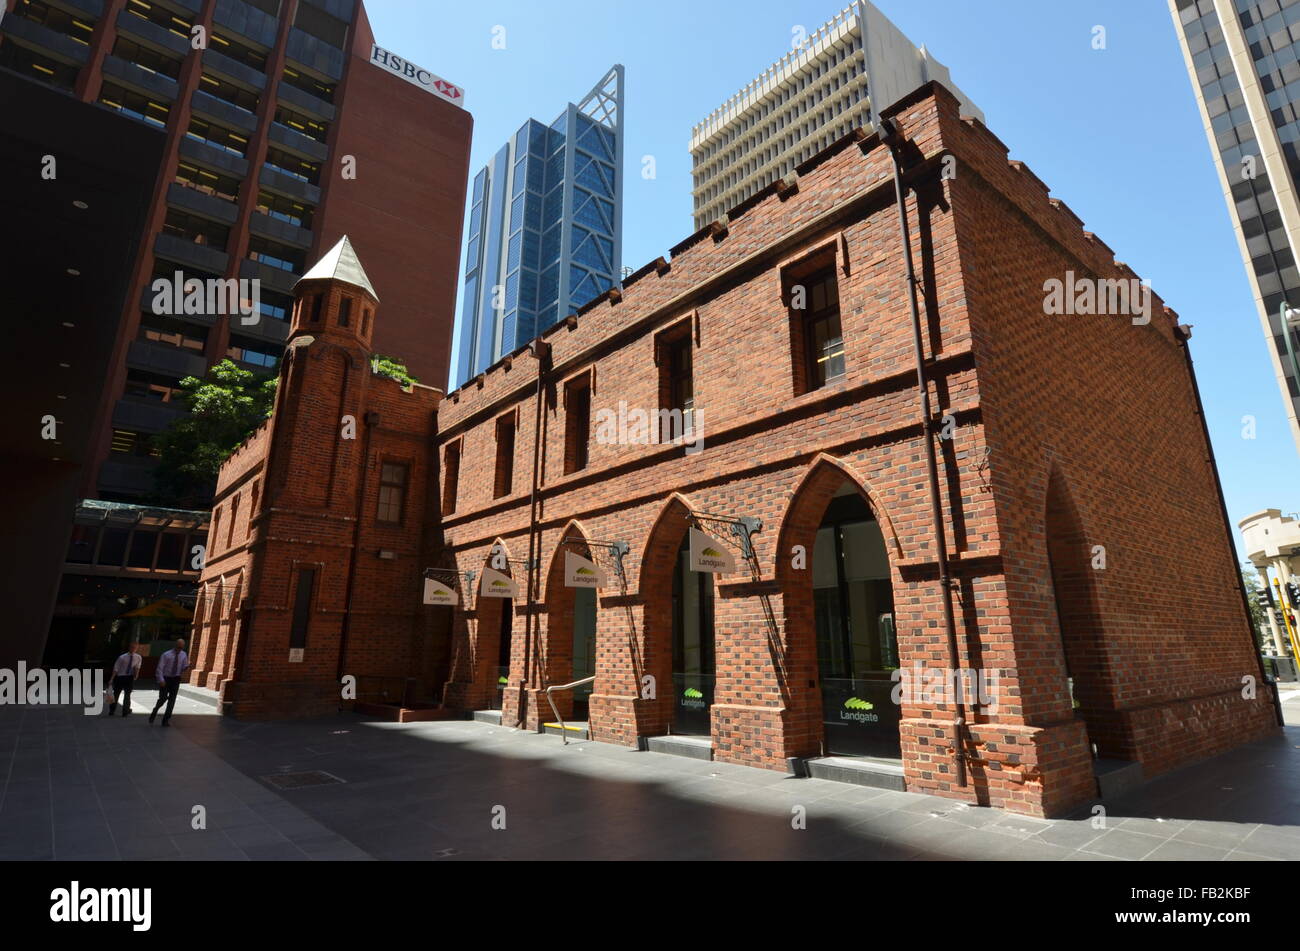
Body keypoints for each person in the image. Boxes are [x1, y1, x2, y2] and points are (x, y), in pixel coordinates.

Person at [149, 638, 189, 727]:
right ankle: (155, 710)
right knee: (163, 698)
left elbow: (183, 666)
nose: (179, 649)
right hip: (166, 678)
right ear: (175, 645)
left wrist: (186, 667)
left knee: (172, 700)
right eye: (178, 647)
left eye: (181, 648)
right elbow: (159, 668)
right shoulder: (166, 655)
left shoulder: (183, 655)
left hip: (176, 679)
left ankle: (166, 720)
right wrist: (161, 680)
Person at [108, 641, 142, 716]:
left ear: (137, 648)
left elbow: (137, 667)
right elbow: (116, 668)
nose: (133, 649)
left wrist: (136, 675)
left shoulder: (138, 657)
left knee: (127, 695)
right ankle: (112, 710)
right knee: (116, 694)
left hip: (129, 677)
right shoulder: (122, 657)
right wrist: (111, 679)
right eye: (132, 647)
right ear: (129, 648)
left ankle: (125, 711)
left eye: (135, 648)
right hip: (120, 677)